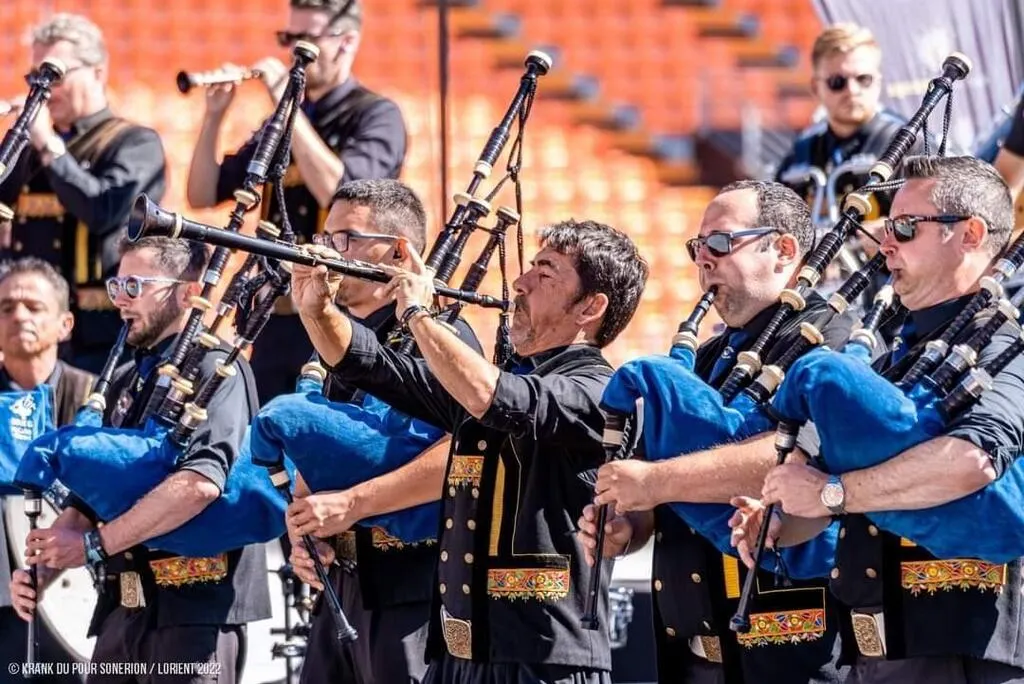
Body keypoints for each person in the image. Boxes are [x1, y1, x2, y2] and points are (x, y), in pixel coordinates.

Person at [290, 218, 648, 682]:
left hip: (542, 659)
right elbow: (378, 369)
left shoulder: (599, 391)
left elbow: (495, 397)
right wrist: (317, 311)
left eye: (545, 273)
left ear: (590, 307)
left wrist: (418, 313)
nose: (520, 284)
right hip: (460, 655)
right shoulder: (511, 380)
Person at [732, 155, 1024, 683]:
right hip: (871, 651)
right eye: (886, 227)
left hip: (965, 651)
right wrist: (779, 522)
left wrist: (831, 493)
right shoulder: (892, 353)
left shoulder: (1007, 344)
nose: (885, 242)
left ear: (971, 234)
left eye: (906, 228)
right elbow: (824, 493)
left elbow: (972, 461)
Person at [576, 180, 856, 684]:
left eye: (721, 242)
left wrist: (655, 481)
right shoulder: (707, 358)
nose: (703, 258)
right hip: (699, 643)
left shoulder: (833, 338)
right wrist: (629, 526)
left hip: (793, 638)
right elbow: (662, 497)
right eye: (697, 247)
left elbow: (791, 459)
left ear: (783, 250)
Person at [8, 236, 271, 684]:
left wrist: (93, 546)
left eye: (135, 286)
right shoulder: (129, 380)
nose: (122, 301)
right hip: (123, 611)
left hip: (194, 614)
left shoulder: (215, 369)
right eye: (117, 286)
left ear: (189, 292)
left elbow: (200, 484)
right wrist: (46, 566)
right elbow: (93, 498)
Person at [276, 178, 483, 684]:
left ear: (396, 251)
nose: (328, 252)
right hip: (342, 588)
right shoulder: (332, 339)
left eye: (345, 239)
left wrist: (351, 504)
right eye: (326, 238)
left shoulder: (440, 336)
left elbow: (460, 454)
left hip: (413, 590)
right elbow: (320, 442)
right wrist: (303, 524)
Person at [186, 0, 408, 406]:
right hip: (276, 313)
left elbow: (344, 193)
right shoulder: (284, 120)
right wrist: (214, 117)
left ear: (346, 43)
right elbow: (202, 193)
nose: (293, 50)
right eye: (289, 38)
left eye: (307, 40)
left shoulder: (376, 115)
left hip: (341, 313)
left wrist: (288, 106)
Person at [0, 13, 167, 375]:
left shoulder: (135, 143)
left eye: (54, 76)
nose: (43, 90)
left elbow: (104, 210)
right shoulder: (28, 148)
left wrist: (50, 147)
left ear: (97, 72)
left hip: (101, 339)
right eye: (35, 78)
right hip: (30, 339)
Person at [0, 258, 95, 682]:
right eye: (5, 307)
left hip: (82, 594)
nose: (19, 315)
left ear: (65, 323)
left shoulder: (98, 396)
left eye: (33, 307)